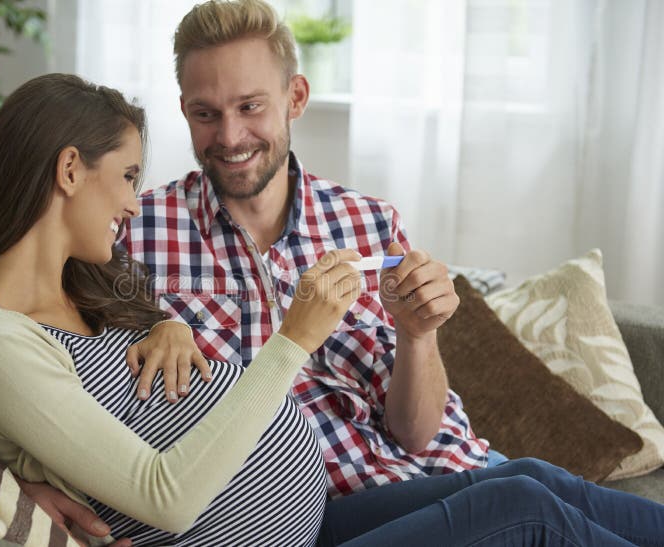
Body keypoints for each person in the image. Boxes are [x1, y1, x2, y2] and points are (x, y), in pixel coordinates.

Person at [0, 73, 664, 547]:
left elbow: (68, 412)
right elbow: (164, 498)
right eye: (127, 177)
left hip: (308, 518)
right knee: (521, 512)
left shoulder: (85, 278)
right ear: (69, 170)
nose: (134, 203)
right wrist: (292, 339)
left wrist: (165, 322)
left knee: (527, 477)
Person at [125, 0, 488, 501]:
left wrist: (418, 335)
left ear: (295, 97)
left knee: (547, 489)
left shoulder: (371, 222)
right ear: (184, 110)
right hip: (333, 510)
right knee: (536, 502)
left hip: (457, 472)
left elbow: (415, 433)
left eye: (250, 107)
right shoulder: (134, 233)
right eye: (206, 114)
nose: (229, 137)